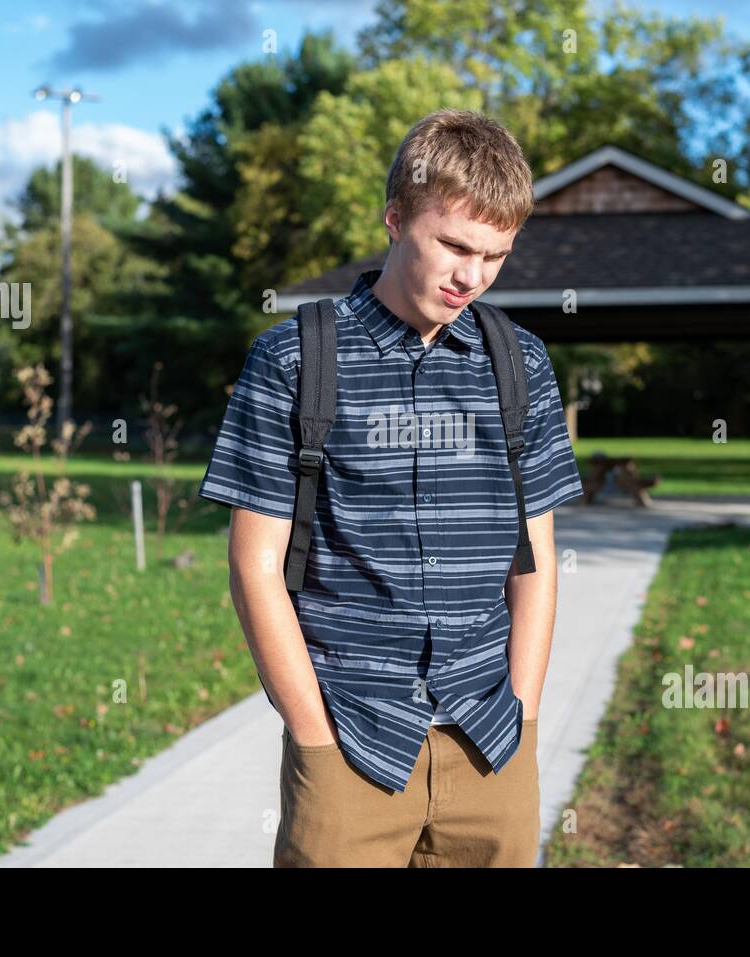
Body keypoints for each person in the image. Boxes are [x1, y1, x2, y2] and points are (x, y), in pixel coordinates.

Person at [199, 108, 583, 867]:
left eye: (495, 255)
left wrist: (526, 714)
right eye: (454, 245)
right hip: (349, 743)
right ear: (395, 217)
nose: (471, 276)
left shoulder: (522, 364)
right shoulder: (293, 360)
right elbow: (254, 567)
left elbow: (533, 563)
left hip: (491, 744)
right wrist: (312, 733)